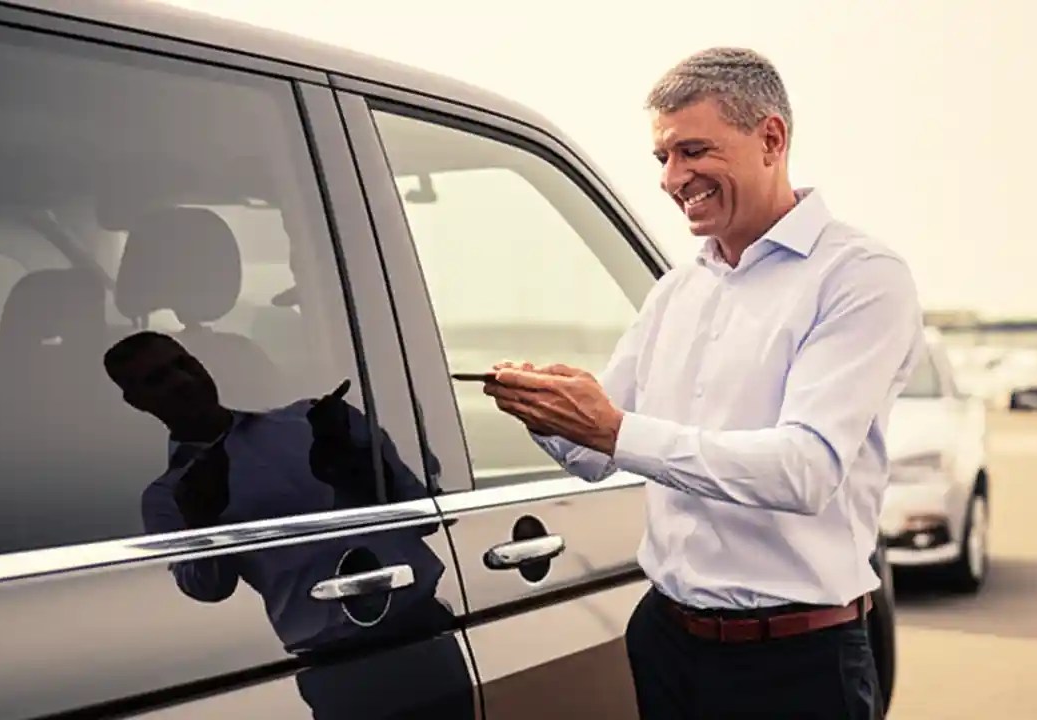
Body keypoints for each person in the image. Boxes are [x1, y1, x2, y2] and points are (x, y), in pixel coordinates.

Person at [483, 47, 925, 719]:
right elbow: (597, 457)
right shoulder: (677, 291)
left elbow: (803, 470)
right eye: (662, 157)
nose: (672, 177)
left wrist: (612, 427)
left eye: (693, 151)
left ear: (771, 139)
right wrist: (548, 412)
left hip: (793, 668)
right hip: (667, 643)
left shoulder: (859, 277)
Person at [103, 331, 472, 719]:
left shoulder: (312, 420)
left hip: (422, 628)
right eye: (157, 378)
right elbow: (207, 591)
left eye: (184, 363)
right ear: (136, 401)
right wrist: (203, 521)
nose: (182, 380)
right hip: (335, 661)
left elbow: (424, 515)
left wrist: (357, 463)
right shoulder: (168, 495)